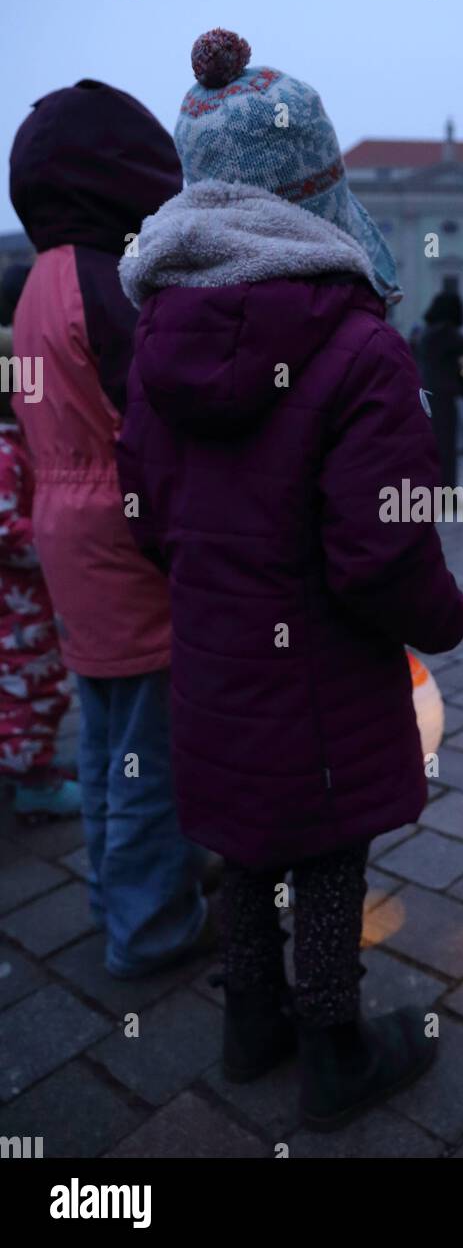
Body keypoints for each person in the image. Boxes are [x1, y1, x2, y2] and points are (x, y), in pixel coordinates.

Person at [118, 29, 463, 1129]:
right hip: (321, 667)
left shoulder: (158, 332)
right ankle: (334, 1054)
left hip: (219, 656)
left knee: (248, 838)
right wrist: (441, 618)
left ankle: (249, 1023)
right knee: (323, 853)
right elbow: (382, 544)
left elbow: (147, 507)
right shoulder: (355, 345)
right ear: (319, 191)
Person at [9, 78, 207, 978]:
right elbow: (154, 421)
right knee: (153, 757)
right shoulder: (107, 277)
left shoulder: (38, 282)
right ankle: (151, 929)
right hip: (128, 540)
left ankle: (110, 899)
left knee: (107, 740)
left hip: (67, 529)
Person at [0, 321, 79, 821]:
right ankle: (32, 780)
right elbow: (5, 528)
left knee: (35, 680)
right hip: (17, 604)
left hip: (25, 600)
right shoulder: (5, 451)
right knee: (29, 685)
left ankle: (35, 763)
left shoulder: (13, 443)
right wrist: (50, 538)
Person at [415, 290, 463, 486]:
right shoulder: (444, 331)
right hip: (443, 395)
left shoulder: (428, 332)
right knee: (446, 448)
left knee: (434, 446)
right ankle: (446, 493)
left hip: (428, 393)